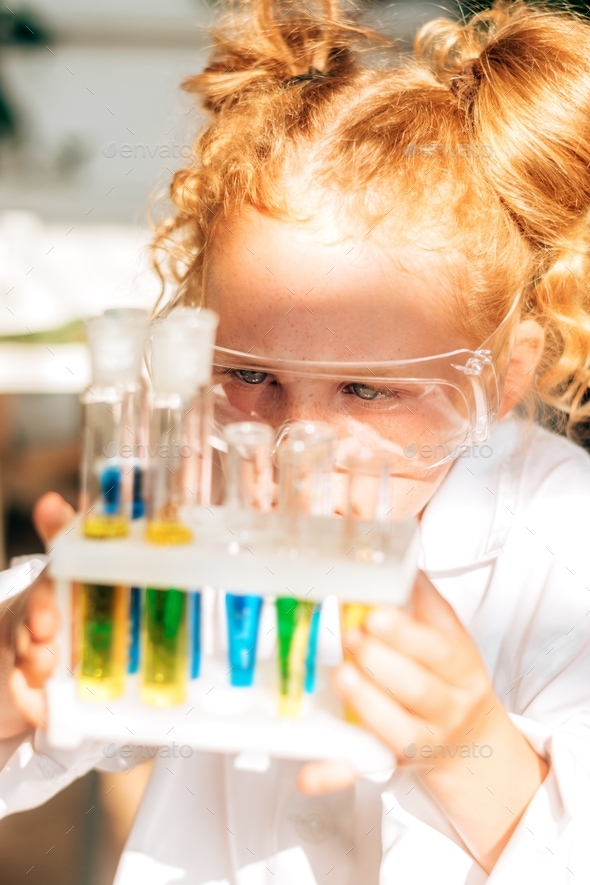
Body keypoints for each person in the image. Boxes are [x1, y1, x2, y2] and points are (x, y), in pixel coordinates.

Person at [2, 1, 590, 882]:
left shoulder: (563, 548)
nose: (295, 439)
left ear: (501, 377)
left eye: (366, 389)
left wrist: (470, 741)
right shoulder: (191, 495)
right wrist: (22, 659)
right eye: (251, 377)